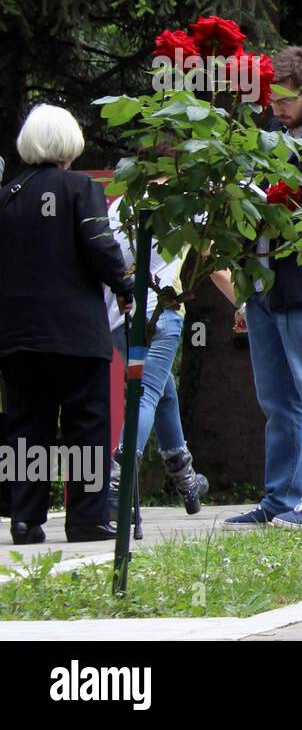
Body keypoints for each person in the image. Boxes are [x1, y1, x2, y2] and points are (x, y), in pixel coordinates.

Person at [223, 46, 302, 530]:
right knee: (276, 401)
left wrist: (279, 201)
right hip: (261, 284)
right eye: (272, 101)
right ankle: (281, 498)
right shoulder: (268, 136)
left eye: (285, 101)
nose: (275, 109)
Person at [0, 104, 132, 544]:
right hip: (75, 330)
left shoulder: (7, 194)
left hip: (17, 333)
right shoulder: (80, 188)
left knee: (26, 425)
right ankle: (86, 518)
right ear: (69, 144)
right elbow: (99, 245)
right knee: (87, 423)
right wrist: (123, 286)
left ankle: (25, 519)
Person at [102, 171, 236, 517]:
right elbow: (216, 266)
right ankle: (119, 480)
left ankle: (186, 480)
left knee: (163, 391)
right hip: (162, 312)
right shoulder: (190, 205)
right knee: (148, 391)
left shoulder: (123, 204)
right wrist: (246, 305)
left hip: (120, 315)